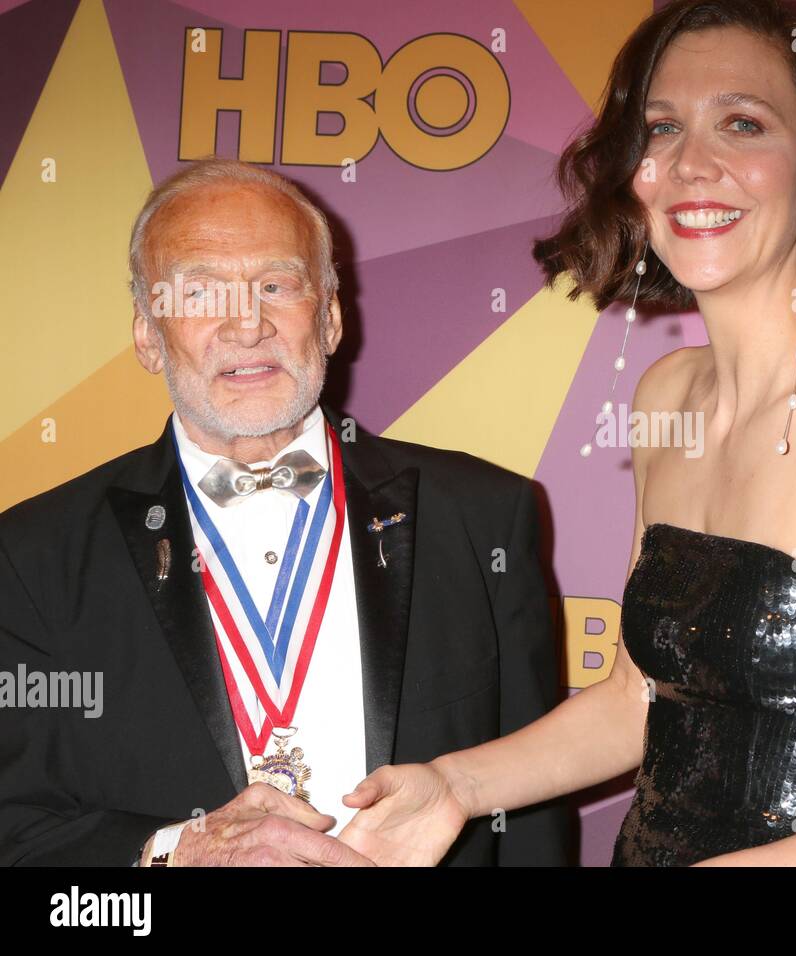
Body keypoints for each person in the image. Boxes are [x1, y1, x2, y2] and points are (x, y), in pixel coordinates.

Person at [338, 0, 796, 866]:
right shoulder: (668, 393)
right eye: (661, 129)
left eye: (743, 123)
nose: (692, 163)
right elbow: (640, 697)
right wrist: (456, 786)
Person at [0, 158, 570, 866]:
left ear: (329, 317)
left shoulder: (485, 517)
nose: (247, 325)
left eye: (276, 285)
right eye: (200, 292)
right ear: (149, 334)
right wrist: (172, 853)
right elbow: (14, 829)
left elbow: (533, 820)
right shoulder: (30, 556)